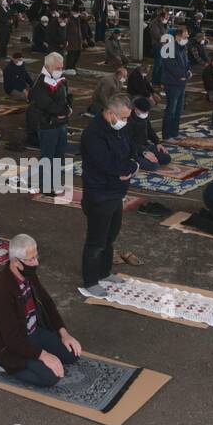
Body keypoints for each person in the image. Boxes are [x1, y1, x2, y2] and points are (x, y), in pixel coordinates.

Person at [0, 234, 82, 387]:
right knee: (50, 378)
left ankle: (35, 357)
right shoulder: (2, 290)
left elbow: (48, 304)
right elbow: (12, 339)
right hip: (8, 344)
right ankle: (1, 364)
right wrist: (43, 355)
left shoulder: (28, 274)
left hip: (33, 332)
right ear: (16, 262)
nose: (36, 262)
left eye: (36, 256)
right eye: (31, 260)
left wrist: (64, 334)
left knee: (71, 354)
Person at [78, 94, 138, 295]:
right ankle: (90, 280)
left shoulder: (120, 128)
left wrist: (132, 166)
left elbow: (130, 151)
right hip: (99, 194)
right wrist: (125, 169)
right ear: (110, 113)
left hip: (116, 193)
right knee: (96, 241)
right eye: (123, 117)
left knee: (110, 236)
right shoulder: (93, 134)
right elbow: (107, 164)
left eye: (128, 118)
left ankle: (104, 272)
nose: (126, 122)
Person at [30, 52, 71, 196]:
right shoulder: (40, 83)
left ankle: (56, 182)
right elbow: (46, 105)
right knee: (47, 157)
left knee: (59, 156)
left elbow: (67, 97)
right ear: (48, 66)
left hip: (61, 124)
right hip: (48, 126)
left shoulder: (61, 80)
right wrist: (63, 111)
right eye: (57, 67)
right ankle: (46, 186)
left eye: (61, 67)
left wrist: (66, 110)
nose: (60, 70)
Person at [161, 26, 192, 141]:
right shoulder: (168, 48)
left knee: (178, 110)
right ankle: (167, 135)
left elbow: (187, 62)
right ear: (177, 35)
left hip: (181, 83)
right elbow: (171, 66)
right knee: (171, 110)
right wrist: (183, 75)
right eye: (185, 34)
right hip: (172, 83)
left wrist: (187, 72)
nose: (187, 36)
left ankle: (174, 132)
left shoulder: (182, 47)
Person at [126, 96, 170, 167]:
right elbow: (128, 141)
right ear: (135, 108)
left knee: (166, 158)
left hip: (145, 145)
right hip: (134, 149)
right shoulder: (128, 119)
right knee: (154, 165)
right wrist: (144, 152)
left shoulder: (144, 116)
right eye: (143, 112)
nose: (145, 113)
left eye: (147, 112)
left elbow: (149, 130)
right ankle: (132, 159)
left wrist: (157, 143)